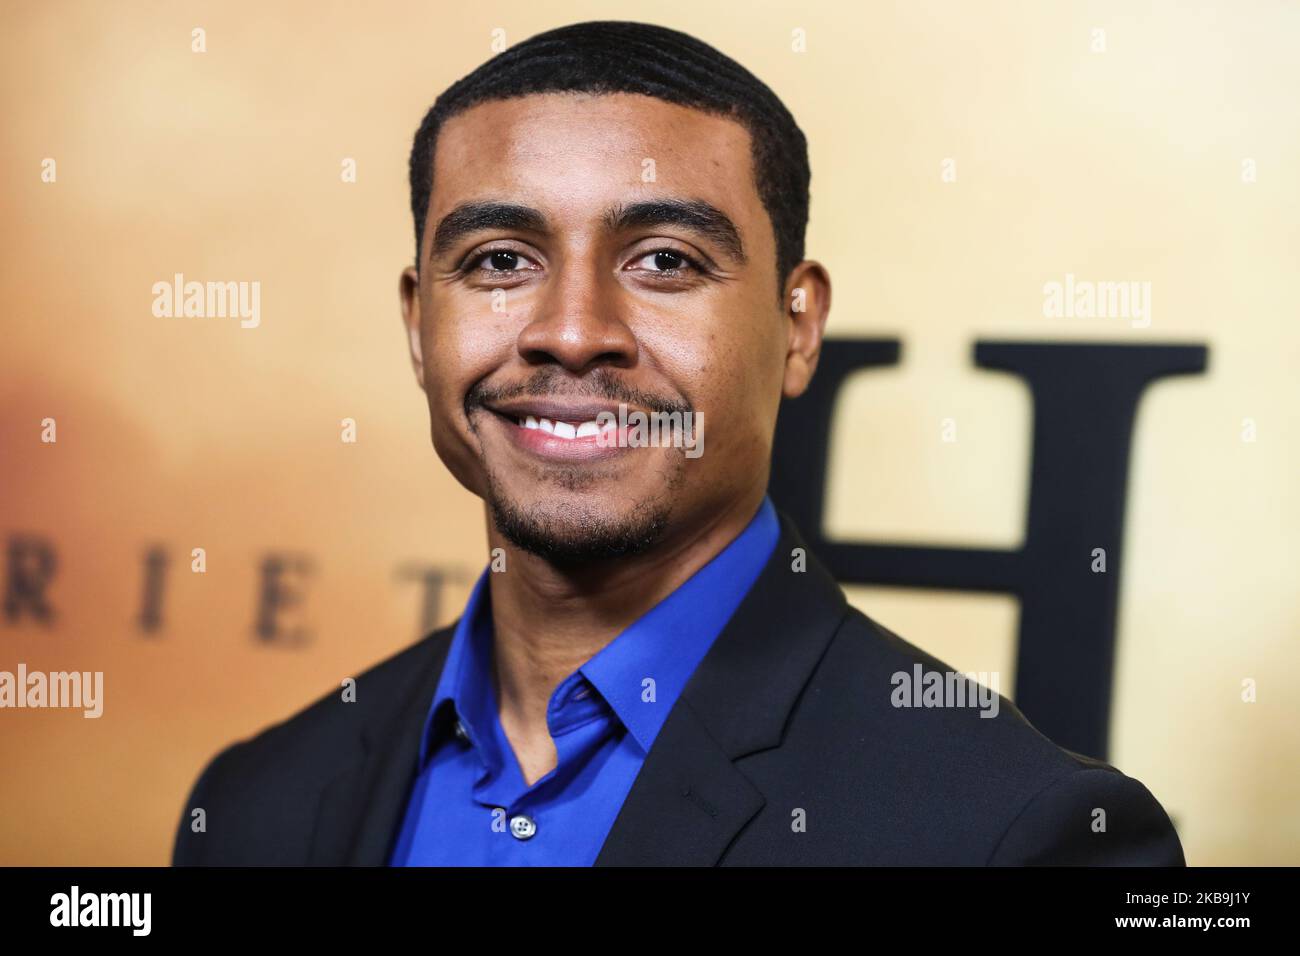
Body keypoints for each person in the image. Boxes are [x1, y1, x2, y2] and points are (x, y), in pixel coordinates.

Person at [172, 20, 1184, 866]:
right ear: (415, 323)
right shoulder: (256, 803)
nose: (571, 329)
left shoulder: (1015, 836)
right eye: (498, 259)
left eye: (663, 259)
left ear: (798, 325)